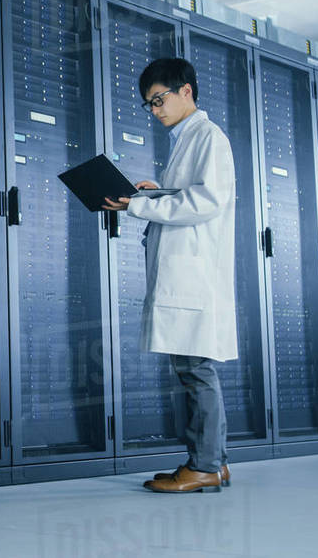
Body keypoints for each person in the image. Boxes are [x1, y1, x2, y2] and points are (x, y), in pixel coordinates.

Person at [101, 57, 237, 494]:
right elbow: (187, 196)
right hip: (186, 275)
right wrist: (154, 193)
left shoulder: (208, 137)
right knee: (192, 368)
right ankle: (214, 463)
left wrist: (139, 206)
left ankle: (205, 465)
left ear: (187, 92)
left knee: (196, 370)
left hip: (195, 276)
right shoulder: (187, 140)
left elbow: (207, 201)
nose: (155, 110)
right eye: (149, 104)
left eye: (159, 99)